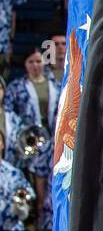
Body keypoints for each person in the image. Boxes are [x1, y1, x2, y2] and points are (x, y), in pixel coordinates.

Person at [5, 48, 61, 214]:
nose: (35, 65)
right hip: (28, 141)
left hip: (53, 137)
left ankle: (49, 210)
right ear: (25, 64)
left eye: (38, 61)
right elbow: (9, 113)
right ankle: (36, 210)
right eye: (31, 62)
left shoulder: (56, 86)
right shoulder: (16, 87)